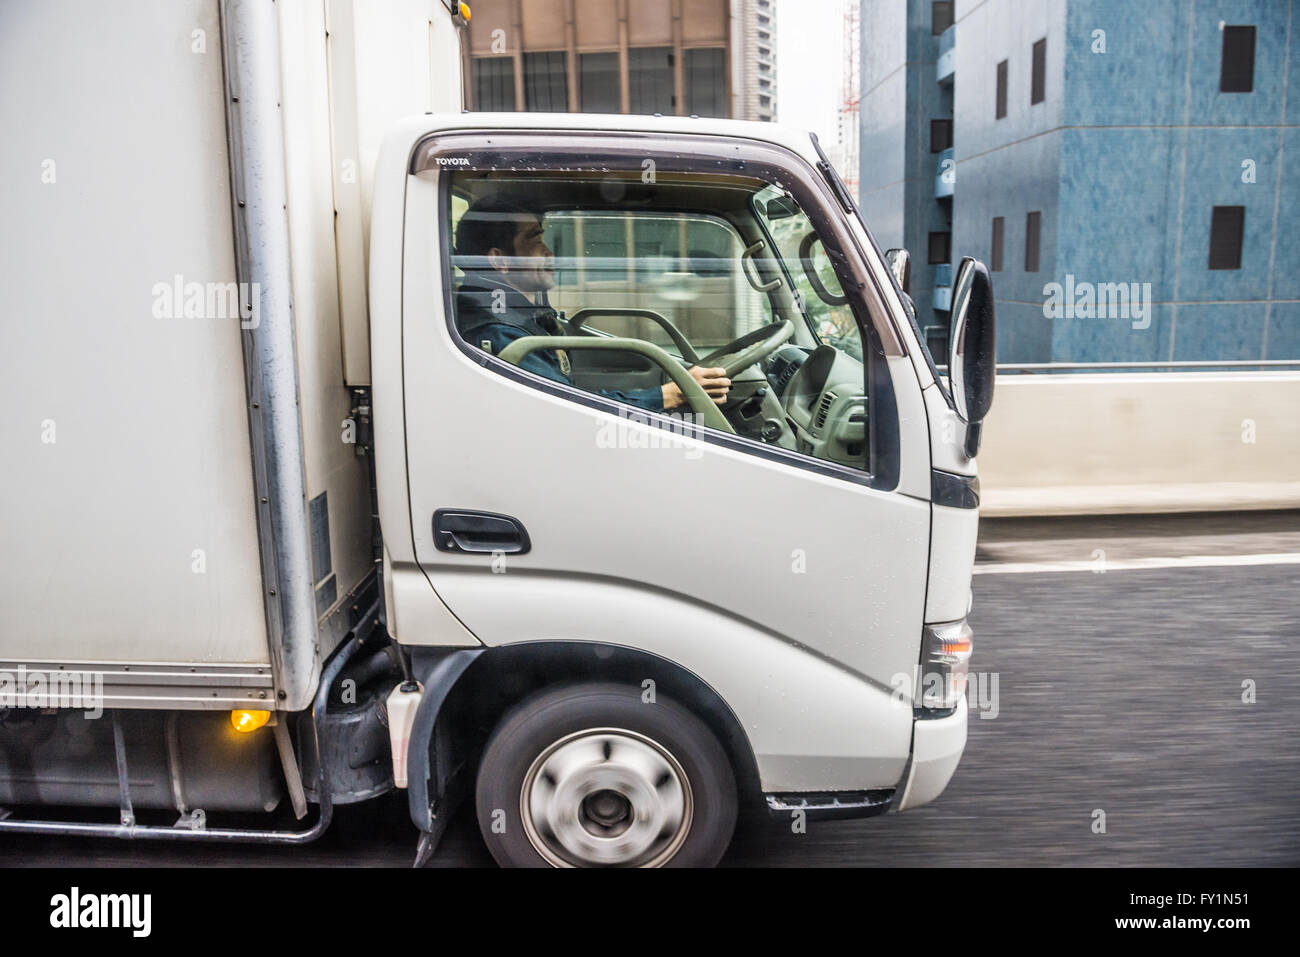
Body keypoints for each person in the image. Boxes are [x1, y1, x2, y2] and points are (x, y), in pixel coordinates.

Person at [452, 195, 730, 413]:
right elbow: (571, 410)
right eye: (535, 240)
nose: (550, 253)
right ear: (500, 260)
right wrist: (671, 394)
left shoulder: (519, 318)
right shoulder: (500, 334)